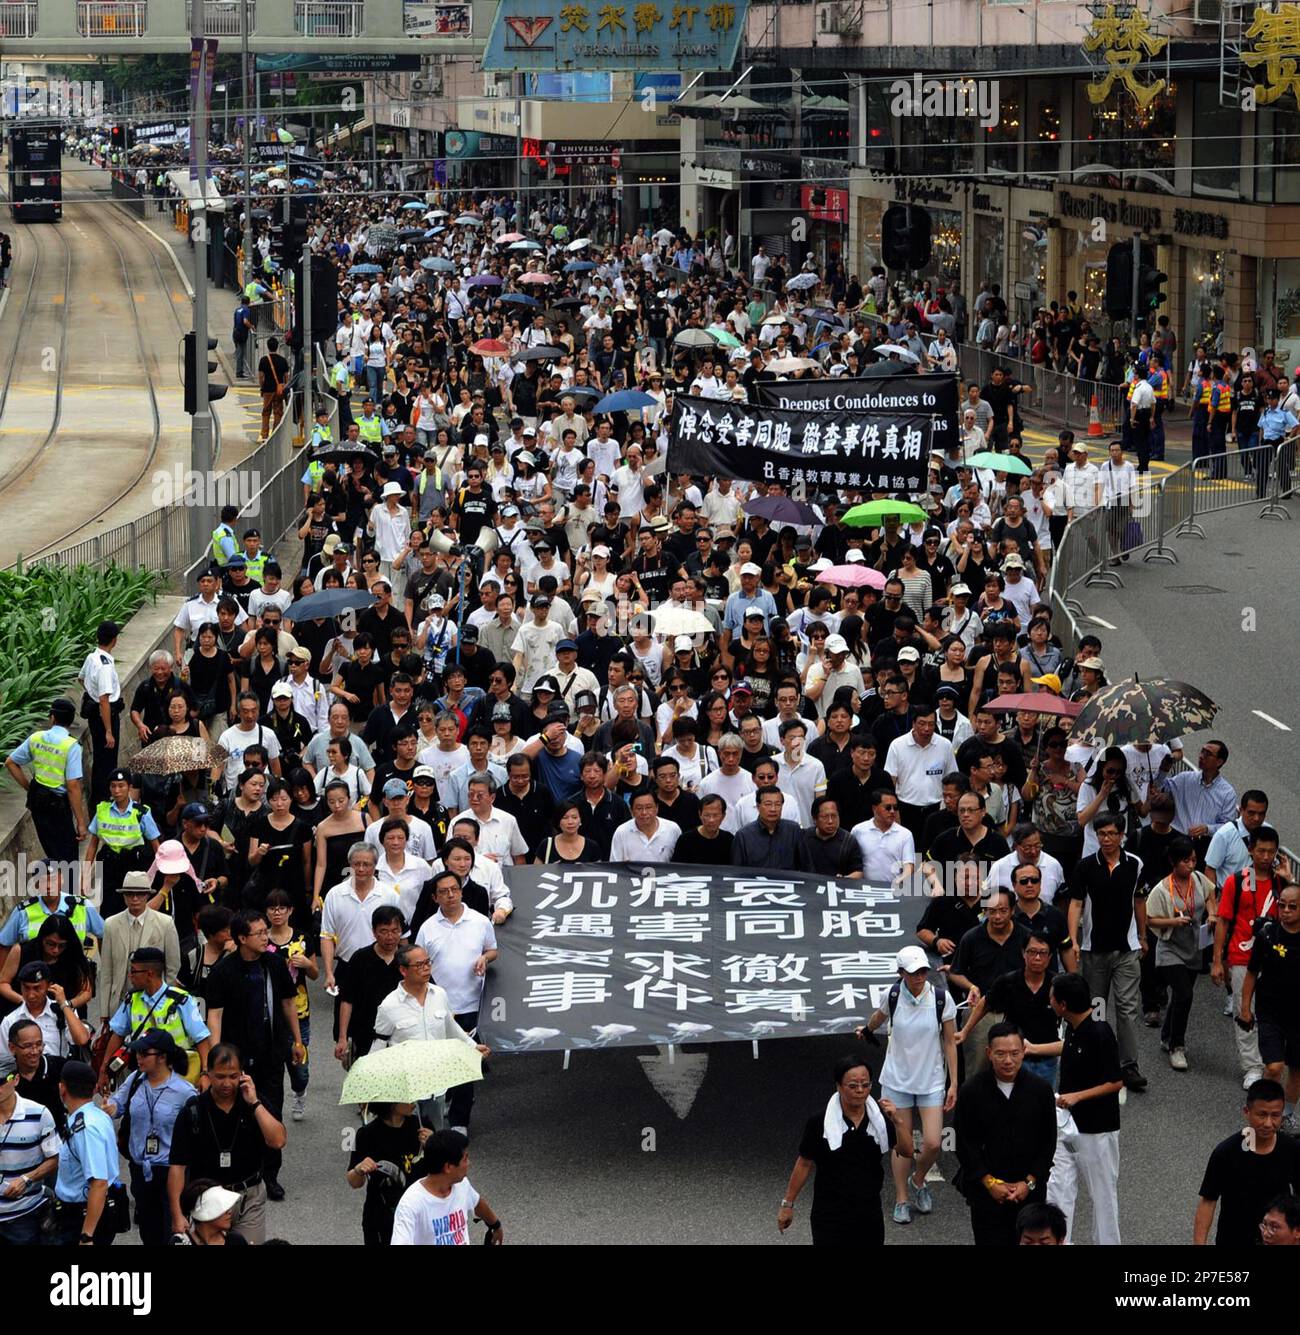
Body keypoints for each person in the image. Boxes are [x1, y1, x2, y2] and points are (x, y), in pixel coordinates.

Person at [204, 911, 304, 1199]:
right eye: (259, 933)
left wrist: (297, 1041)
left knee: (271, 1111)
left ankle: (270, 1175)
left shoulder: (274, 964)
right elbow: (215, 1016)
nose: (266, 937)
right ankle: (239, 1171)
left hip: (271, 1053)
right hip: (236, 1058)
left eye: (265, 932)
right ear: (242, 938)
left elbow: (288, 1002)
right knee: (237, 1114)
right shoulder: (224, 971)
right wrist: (215, 1061)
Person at [858, 946, 958, 1226]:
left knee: (933, 1142)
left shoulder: (941, 999)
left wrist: (953, 1084)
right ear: (901, 973)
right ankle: (902, 1198)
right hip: (897, 1081)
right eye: (913, 972)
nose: (919, 976)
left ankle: (918, 1179)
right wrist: (866, 1030)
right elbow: (877, 1019)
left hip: (931, 1081)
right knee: (902, 1145)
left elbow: (949, 1042)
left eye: (923, 971)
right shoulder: (891, 996)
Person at [777, 1053, 911, 1246]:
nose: (860, 1091)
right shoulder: (819, 1122)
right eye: (853, 1086)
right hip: (830, 1215)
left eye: (866, 1085)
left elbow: (906, 1151)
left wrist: (898, 1121)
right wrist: (787, 1205)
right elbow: (804, 1163)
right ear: (839, 1086)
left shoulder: (880, 1120)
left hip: (869, 1212)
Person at [167, 1044, 287, 1245]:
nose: (227, 1083)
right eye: (220, 1076)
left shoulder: (253, 1103)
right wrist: (177, 1214)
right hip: (208, 1202)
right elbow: (177, 1167)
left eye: (233, 1076)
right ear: (209, 1074)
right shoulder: (193, 1110)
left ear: (242, 1074)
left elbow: (278, 1140)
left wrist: (255, 1102)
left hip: (248, 1199)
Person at [1065, 814, 1149, 1092]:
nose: (1106, 839)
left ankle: (1128, 1065)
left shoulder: (1135, 864)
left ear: (1122, 835)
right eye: (1101, 834)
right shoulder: (1086, 866)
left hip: (1126, 950)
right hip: (1093, 950)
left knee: (1127, 1009)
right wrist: (1073, 940)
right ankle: (1098, 1060)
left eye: (1112, 833)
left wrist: (1143, 935)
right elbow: (1076, 904)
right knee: (1097, 1008)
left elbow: (1139, 900)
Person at [953, 1024, 1058, 1245]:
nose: (1008, 1060)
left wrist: (1028, 1183)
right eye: (1000, 1054)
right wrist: (990, 1183)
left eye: (1014, 1053)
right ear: (989, 1053)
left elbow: (1048, 1142)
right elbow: (964, 1143)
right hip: (986, 1196)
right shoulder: (971, 1091)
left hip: (1030, 1195)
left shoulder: (1040, 1090)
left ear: (1023, 1051)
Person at [1042, 971, 1124, 1245]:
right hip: (1066, 1126)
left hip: (1097, 1131)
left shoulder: (1101, 1032)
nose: (1049, 1000)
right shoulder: (1074, 1029)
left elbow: (1115, 1082)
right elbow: (1066, 1048)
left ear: (1063, 1004)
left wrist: (1077, 1096)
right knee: (1058, 1189)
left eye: (1052, 996)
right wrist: (1030, 1048)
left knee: (1103, 1197)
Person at [412, 873, 498, 1134]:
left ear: (461, 892)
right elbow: (418, 962)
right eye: (443, 892)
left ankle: (460, 1122)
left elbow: (493, 949)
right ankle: (439, 1111)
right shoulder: (428, 927)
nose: (450, 895)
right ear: (435, 897)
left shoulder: (480, 921)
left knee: (464, 1062)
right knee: (439, 1061)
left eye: (454, 890)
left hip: (470, 1003)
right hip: (438, 1006)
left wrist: (485, 958)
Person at [105, 1029, 197, 1246]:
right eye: (138, 1052)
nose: (139, 1057)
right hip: (141, 1170)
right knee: (149, 1233)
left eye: (145, 1053)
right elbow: (118, 1104)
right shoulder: (135, 1080)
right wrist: (108, 1108)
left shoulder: (185, 1092)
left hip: (171, 1173)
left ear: (163, 1057)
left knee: (173, 1235)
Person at [1214, 825, 1288, 1089]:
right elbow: (1223, 921)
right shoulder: (1236, 880)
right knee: (1245, 1010)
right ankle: (1252, 1067)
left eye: (1271, 852)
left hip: (1277, 958)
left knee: (1275, 1010)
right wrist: (1217, 960)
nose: (1266, 857)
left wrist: (1289, 880)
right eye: (1261, 851)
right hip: (1241, 955)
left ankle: (1271, 1058)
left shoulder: (1283, 883)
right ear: (1250, 850)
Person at [1194, 1078, 1299, 1246]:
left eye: (1275, 1115)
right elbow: (1208, 1201)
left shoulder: (1291, 1149)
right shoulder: (1226, 1152)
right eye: (1262, 1114)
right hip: (1234, 1238)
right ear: (1246, 1111)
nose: (1268, 1123)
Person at [96, 946, 210, 1092]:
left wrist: (205, 1073)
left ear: (149, 974)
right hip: (144, 1078)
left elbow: (201, 1038)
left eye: (134, 971)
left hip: (179, 1079)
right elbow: (118, 1035)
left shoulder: (182, 1000)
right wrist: (104, 1069)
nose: (130, 976)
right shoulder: (132, 999)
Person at [1144, 837, 1214, 1071]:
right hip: (1170, 948)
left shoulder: (1198, 879)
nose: (1191, 866)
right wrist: (1173, 921)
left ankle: (1166, 1035)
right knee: (1184, 994)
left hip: (1194, 947)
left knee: (1182, 996)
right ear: (1174, 862)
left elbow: (1210, 895)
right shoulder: (1162, 889)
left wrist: (1212, 914)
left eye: (1193, 860)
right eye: (1186, 861)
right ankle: (1177, 1046)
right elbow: (1149, 918)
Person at [1239, 882, 1300, 1132]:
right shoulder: (1267, 935)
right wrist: (1245, 1007)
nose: (1285, 910)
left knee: (1296, 1068)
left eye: (1292, 906)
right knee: (1274, 1067)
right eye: (1282, 905)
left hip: (1298, 1016)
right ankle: (1261, 1110)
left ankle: (1285, 1115)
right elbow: (1252, 973)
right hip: (1270, 1012)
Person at [49, 1060, 124, 1246]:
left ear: (62, 1088)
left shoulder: (86, 1127)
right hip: (78, 1213)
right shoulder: (94, 1116)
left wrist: (86, 1236)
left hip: (83, 1217)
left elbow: (98, 1183)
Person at [5, 698, 87, 863]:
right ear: (70, 720)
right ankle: (66, 888)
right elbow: (72, 786)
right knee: (68, 858)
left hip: (37, 802)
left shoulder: (37, 737)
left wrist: (29, 788)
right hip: (58, 806)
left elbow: (10, 762)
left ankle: (56, 885)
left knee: (51, 852)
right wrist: (81, 822)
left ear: (52, 717)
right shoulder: (71, 746)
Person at [391, 1128, 504, 1245]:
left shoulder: (462, 1185)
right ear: (448, 1167)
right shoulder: (411, 1204)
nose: (469, 1163)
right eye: (465, 1159)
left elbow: (477, 1203)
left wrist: (495, 1225)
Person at [97, 871, 181, 1024]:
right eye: (130, 894)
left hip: (154, 1002)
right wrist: (104, 1011)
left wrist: (165, 1002)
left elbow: (173, 968)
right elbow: (107, 971)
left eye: (140, 894)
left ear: (147, 895)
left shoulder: (165, 923)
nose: (135, 898)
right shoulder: (111, 924)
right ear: (124, 896)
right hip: (120, 1002)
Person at [346, 1102, 431, 1245]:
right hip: (381, 1217)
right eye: (405, 1097)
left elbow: (441, 1170)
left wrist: (434, 1145)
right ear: (391, 1103)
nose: (413, 1101)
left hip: (420, 1212)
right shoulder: (366, 1134)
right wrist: (359, 1170)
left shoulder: (422, 1126)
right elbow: (354, 1182)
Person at [0, 1059, 60, 1245]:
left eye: (1, 1082)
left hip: (24, 1216)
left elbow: (55, 1159)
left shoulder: (39, 1114)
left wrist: (27, 1179)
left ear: (16, 1079)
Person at [337, 904, 405, 1065]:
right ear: (374, 932)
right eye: (384, 931)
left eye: (395, 931)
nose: (390, 937)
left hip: (402, 1033)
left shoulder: (408, 958)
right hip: (366, 1033)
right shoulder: (360, 959)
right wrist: (342, 1037)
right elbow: (347, 999)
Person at [78, 620, 123, 806]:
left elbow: (81, 679)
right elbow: (104, 699)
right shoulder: (104, 665)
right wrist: (109, 730)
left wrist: (92, 693)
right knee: (106, 762)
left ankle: (99, 800)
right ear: (114, 640)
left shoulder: (92, 657)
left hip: (97, 712)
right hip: (105, 715)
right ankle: (102, 801)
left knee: (100, 759)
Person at [171, 1179, 246, 1246]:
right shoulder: (180, 1242)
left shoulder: (236, 1240)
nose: (230, 1212)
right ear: (203, 1214)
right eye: (221, 1208)